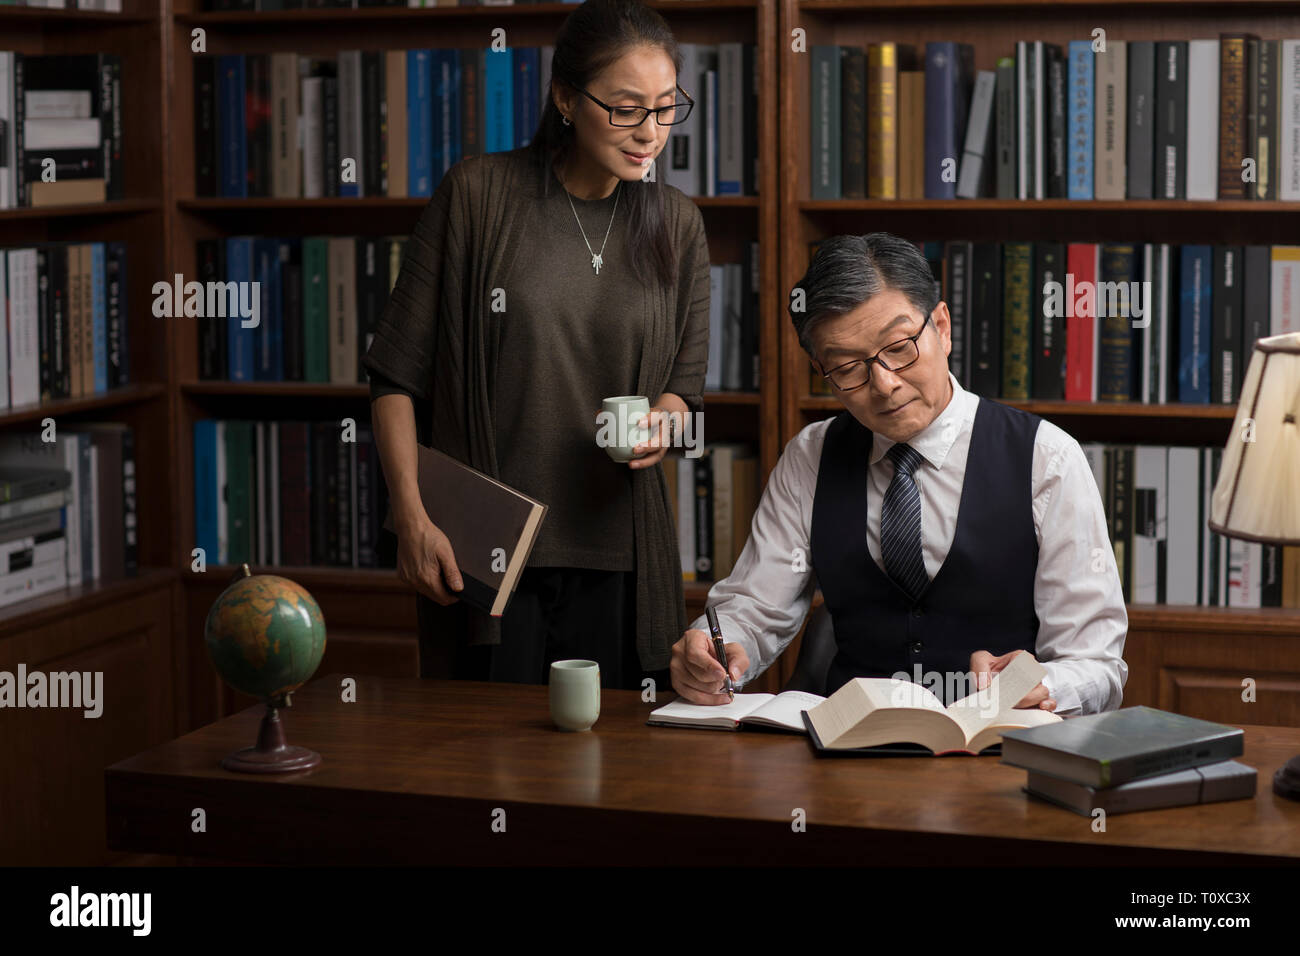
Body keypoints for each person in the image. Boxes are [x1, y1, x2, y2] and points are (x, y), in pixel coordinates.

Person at [362, 0, 710, 690]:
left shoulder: (677, 224)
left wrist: (664, 425)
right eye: (626, 108)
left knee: (614, 779)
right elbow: (395, 377)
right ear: (564, 98)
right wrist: (409, 515)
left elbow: (684, 395)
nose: (651, 133)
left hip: (622, 559)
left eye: (667, 109)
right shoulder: (478, 196)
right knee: (489, 773)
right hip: (486, 554)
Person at [670, 232, 1128, 714]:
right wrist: (712, 650)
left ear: (943, 328)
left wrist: (1043, 685)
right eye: (848, 367)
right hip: (847, 753)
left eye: (899, 346)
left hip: (999, 752)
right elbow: (755, 609)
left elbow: (1096, 664)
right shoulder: (812, 456)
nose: (884, 385)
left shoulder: (1047, 458)